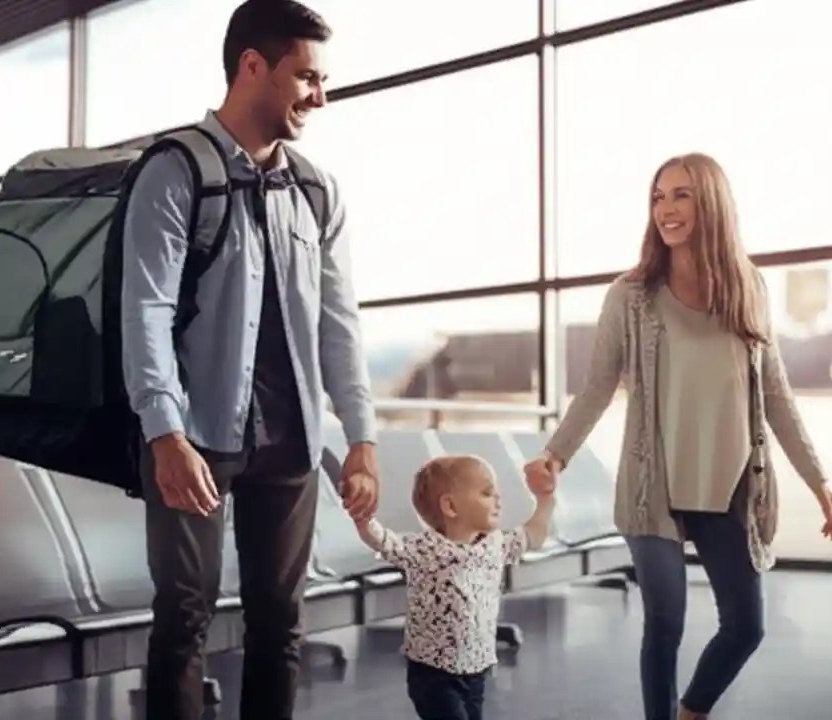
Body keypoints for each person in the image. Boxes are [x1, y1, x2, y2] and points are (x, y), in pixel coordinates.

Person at [119, 2, 378, 718]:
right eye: (307, 78)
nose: (319, 97)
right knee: (182, 618)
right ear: (252, 66)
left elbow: (338, 322)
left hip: (289, 435)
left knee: (280, 620)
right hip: (193, 433)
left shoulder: (318, 192)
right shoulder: (173, 171)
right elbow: (143, 312)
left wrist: (361, 436)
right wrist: (164, 437)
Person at [524, 153, 832, 720]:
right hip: (655, 491)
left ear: (712, 203)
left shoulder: (749, 288)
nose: (666, 209)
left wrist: (819, 481)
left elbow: (776, 394)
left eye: (682, 195)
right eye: (658, 196)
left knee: (746, 627)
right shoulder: (630, 296)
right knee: (665, 623)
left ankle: (690, 713)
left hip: (729, 490)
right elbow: (599, 385)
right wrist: (556, 454)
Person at [354, 455, 555, 720]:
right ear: (450, 506)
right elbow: (384, 541)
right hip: (433, 673)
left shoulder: (495, 545)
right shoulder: (424, 548)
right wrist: (362, 518)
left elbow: (535, 534)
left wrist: (545, 499)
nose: (498, 499)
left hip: (476, 669)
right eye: (486, 492)